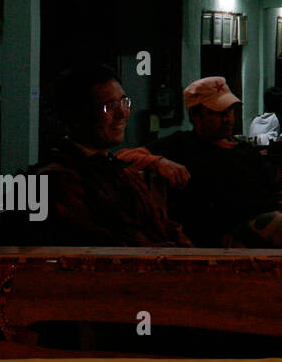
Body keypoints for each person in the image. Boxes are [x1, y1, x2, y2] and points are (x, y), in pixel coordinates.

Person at [36, 63, 190, 246]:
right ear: (76, 117)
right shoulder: (59, 180)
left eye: (124, 102)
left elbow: (162, 224)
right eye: (109, 107)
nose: (122, 114)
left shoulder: (119, 170)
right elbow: (104, 246)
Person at [150, 76, 282, 247]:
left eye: (229, 111)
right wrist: (159, 162)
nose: (227, 119)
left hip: (269, 221)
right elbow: (125, 156)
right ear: (195, 115)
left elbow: (277, 187)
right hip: (232, 233)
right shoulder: (182, 144)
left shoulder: (245, 149)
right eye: (218, 113)